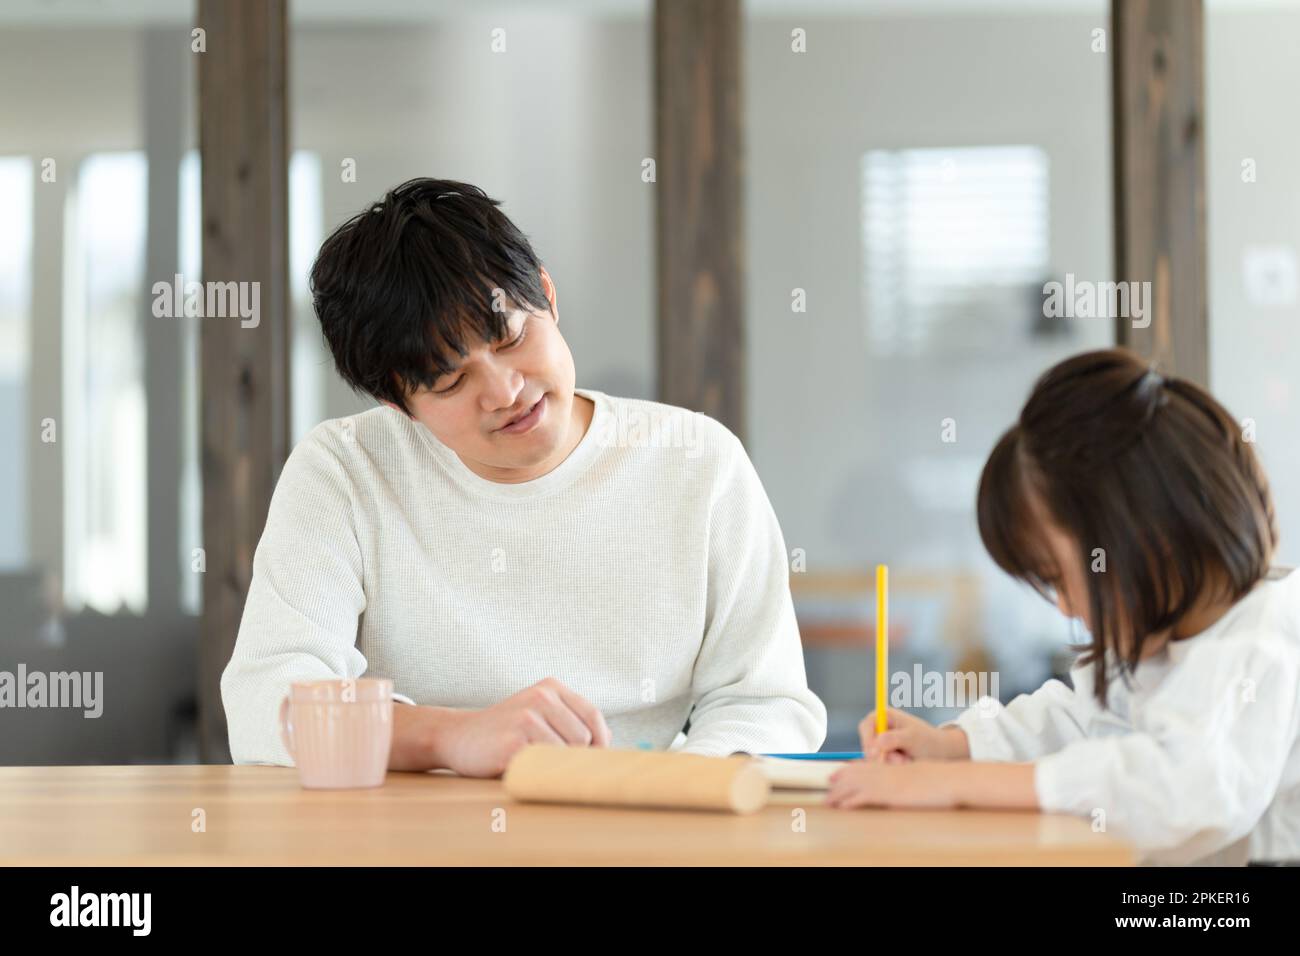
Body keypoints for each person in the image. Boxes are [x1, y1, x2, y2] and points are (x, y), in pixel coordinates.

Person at [221, 178, 826, 777]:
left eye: (510, 335)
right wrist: (452, 738)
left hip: (635, 826)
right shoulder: (344, 470)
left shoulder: (699, 461)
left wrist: (670, 793)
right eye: (450, 382)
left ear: (546, 294)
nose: (505, 392)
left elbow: (764, 703)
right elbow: (266, 703)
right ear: (397, 404)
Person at [827, 348, 1300, 866]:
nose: (1062, 604)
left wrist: (958, 783)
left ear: (1145, 537)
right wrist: (955, 745)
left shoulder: (1264, 639)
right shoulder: (1165, 641)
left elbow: (1179, 789)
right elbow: (1075, 722)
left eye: (1058, 578)